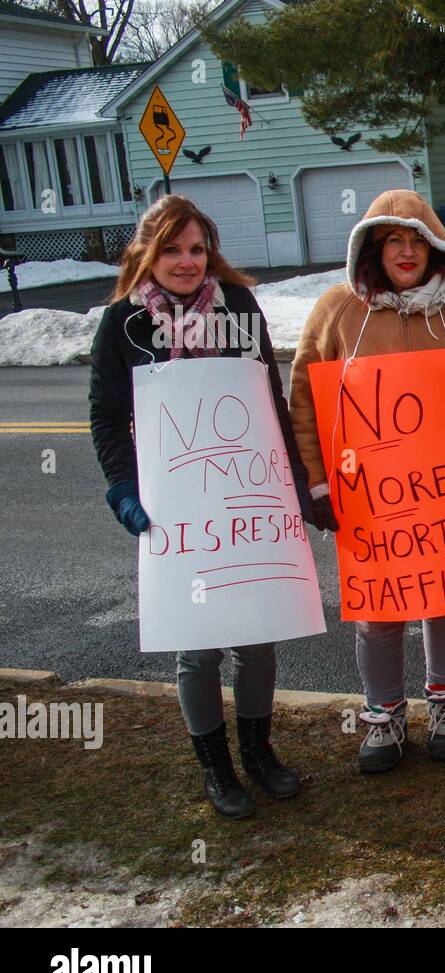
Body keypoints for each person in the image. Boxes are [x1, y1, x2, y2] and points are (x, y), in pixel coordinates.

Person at [88, 194, 309, 819]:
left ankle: (259, 753)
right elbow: (107, 416)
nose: (187, 262)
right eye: (172, 249)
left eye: (197, 248)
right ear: (147, 254)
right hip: (178, 507)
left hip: (246, 495)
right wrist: (123, 489)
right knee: (200, 646)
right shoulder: (125, 325)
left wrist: (290, 481)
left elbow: (269, 397)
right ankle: (216, 768)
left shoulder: (238, 307)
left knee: (258, 636)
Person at [289, 190, 445, 773]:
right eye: (395, 239)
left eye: (418, 239)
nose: (408, 250)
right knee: (379, 612)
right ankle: (384, 714)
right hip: (368, 492)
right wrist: (316, 484)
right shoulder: (338, 309)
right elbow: (305, 402)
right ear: (373, 246)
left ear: (436, 245)